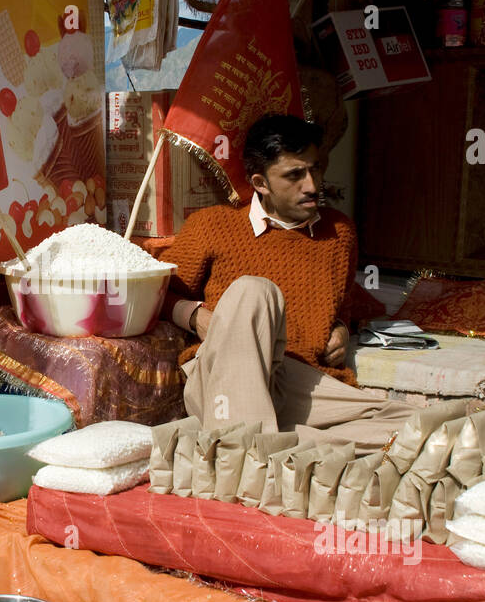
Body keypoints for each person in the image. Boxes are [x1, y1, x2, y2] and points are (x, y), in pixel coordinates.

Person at [157, 113, 416, 450]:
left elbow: (343, 306)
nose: (311, 186)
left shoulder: (339, 233)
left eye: (316, 169)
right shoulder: (212, 225)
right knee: (254, 289)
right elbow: (156, 292)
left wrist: (342, 327)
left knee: (411, 426)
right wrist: (195, 317)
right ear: (260, 183)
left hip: (298, 379)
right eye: (294, 175)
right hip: (226, 374)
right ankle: (246, 450)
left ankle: (264, 445)